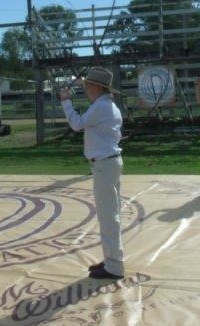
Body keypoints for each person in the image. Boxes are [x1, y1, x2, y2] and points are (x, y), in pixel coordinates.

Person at [59, 66, 125, 280]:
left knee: (108, 217)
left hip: (104, 165)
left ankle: (114, 266)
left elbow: (77, 125)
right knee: (110, 215)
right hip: (109, 164)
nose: (86, 88)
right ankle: (111, 259)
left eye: (88, 85)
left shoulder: (100, 107)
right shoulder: (107, 105)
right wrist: (79, 83)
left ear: (97, 87)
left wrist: (66, 101)